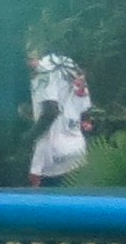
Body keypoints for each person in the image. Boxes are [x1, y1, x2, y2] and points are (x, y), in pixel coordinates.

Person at [26, 51, 92, 186]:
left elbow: (50, 113)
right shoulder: (69, 68)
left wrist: (27, 139)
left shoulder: (44, 73)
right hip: (77, 151)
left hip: (52, 157)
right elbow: (84, 108)